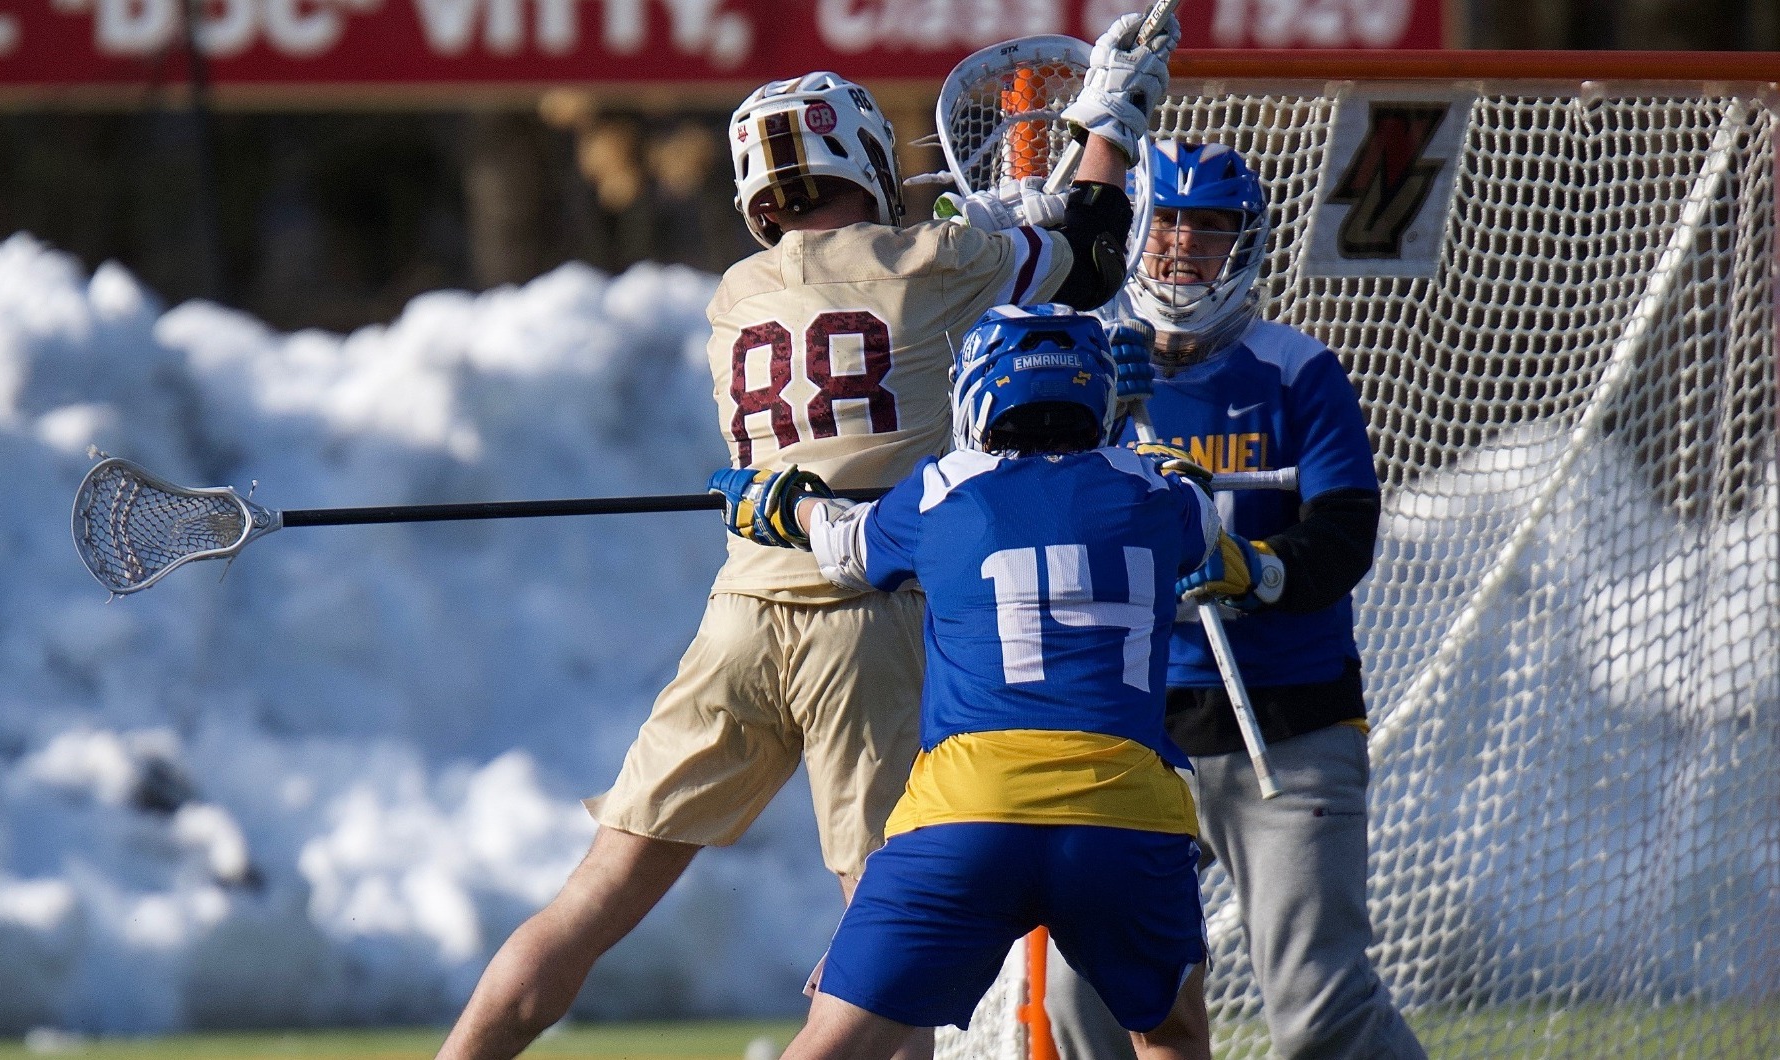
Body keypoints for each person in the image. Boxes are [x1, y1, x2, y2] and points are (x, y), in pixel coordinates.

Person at [433, 15, 1179, 1060]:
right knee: (889, 953)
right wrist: (1108, 123)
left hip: (740, 612)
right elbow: (1094, 260)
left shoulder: (736, 297)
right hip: (865, 624)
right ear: (863, 156)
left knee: (593, 897)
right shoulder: (937, 256)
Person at [709, 304, 1221, 1060]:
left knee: (833, 1043)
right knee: (1171, 1035)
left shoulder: (944, 488)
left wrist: (784, 505)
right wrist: (1178, 465)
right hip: (1125, 811)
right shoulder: (1155, 496)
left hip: (969, 812)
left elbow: (845, 550)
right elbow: (1194, 513)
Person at [1043, 140, 1427, 1060]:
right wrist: (1092, 418)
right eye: (1164, 223)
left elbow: (1345, 532)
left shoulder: (1297, 370)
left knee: (1315, 1009)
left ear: (1245, 244)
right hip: (1133, 731)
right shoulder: (1074, 365)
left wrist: (1255, 570)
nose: (1182, 248)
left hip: (1286, 725)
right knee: (1082, 1002)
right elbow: (1029, 514)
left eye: (1207, 227)